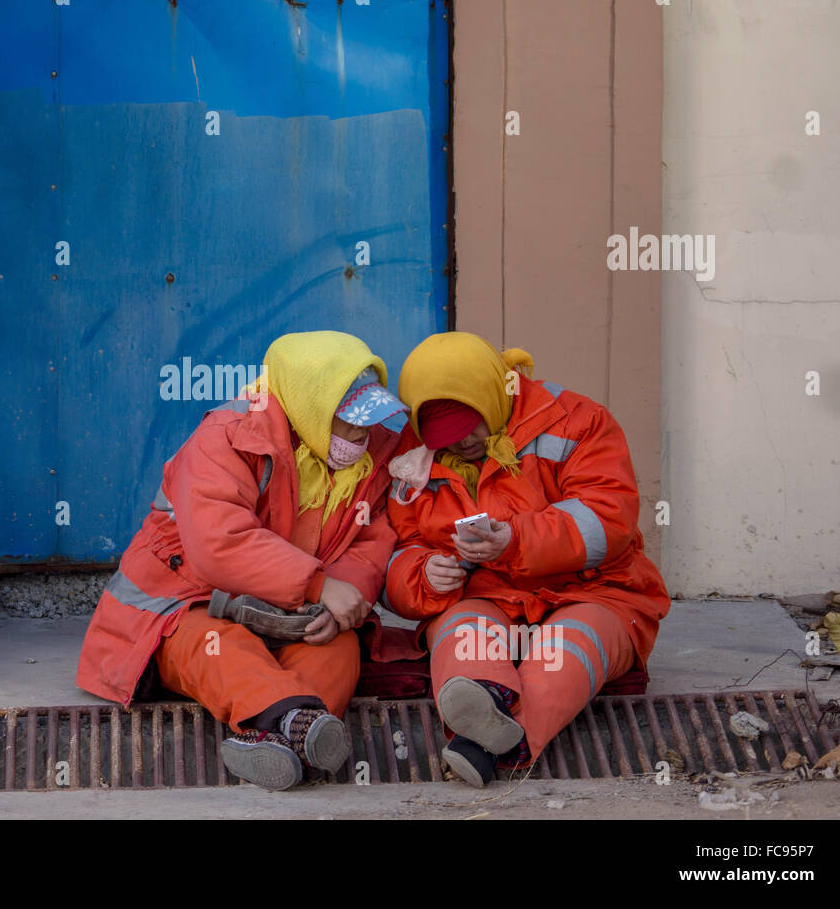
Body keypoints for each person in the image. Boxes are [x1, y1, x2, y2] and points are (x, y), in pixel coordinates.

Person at [77, 331, 409, 790]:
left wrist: (339, 603)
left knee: (338, 647)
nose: (361, 433)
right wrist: (319, 587)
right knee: (220, 648)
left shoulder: (370, 453)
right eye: (348, 420)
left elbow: (370, 540)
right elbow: (220, 543)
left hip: (291, 612)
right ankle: (296, 725)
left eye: (367, 420)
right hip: (186, 604)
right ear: (311, 406)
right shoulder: (226, 437)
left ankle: (277, 739)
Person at [383, 331, 670, 787]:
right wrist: (424, 575)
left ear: (493, 394)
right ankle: (484, 702)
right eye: (447, 435)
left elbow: (608, 519)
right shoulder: (410, 453)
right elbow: (400, 547)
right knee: (461, 634)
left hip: (595, 590)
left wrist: (516, 541)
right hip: (484, 594)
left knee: (570, 647)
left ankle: (487, 746)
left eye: (470, 423)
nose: (463, 442)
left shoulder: (578, 420)